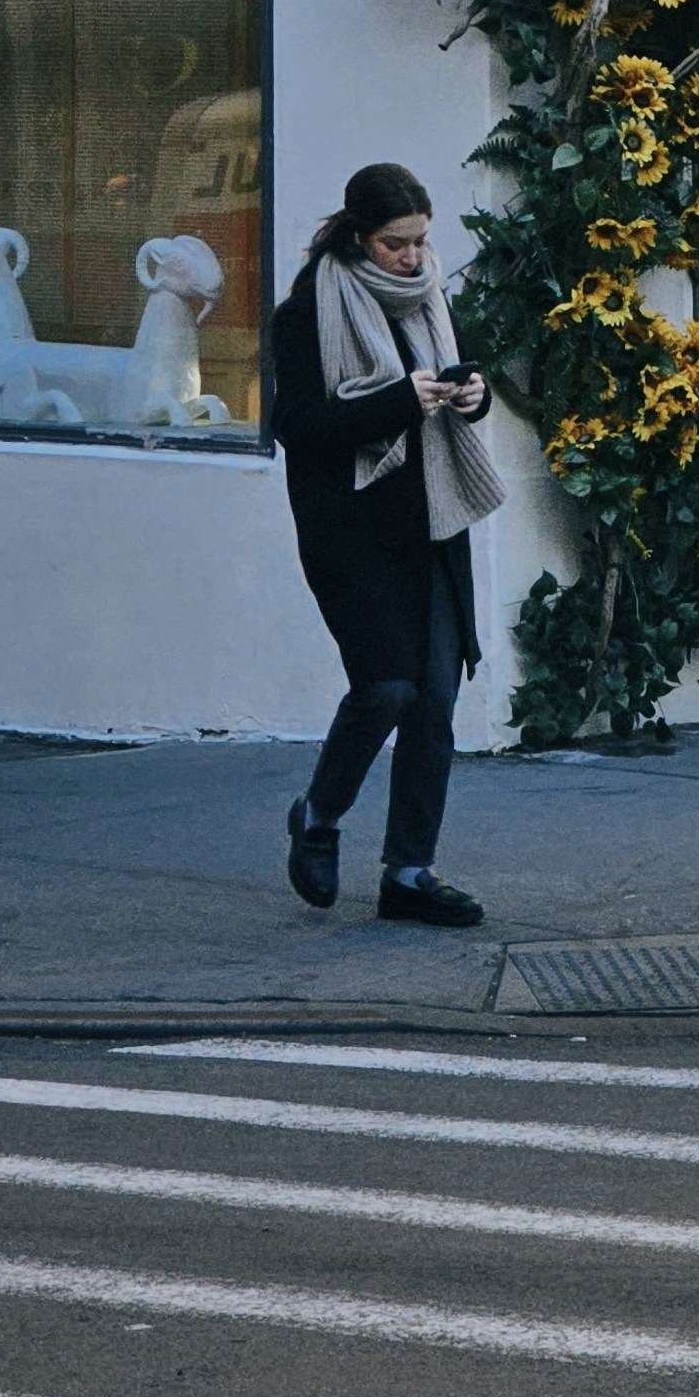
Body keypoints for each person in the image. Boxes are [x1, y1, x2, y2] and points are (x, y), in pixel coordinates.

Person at [271, 163, 500, 928]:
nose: (411, 257)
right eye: (394, 244)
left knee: (434, 699)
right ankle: (320, 816)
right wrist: (401, 402)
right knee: (386, 688)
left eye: (420, 241)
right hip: (352, 529)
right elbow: (302, 430)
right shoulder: (307, 311)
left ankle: (408, 871)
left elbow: (456, 388)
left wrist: (472, 396)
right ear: (358, 238)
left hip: (432, 519)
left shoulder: (428, 294)